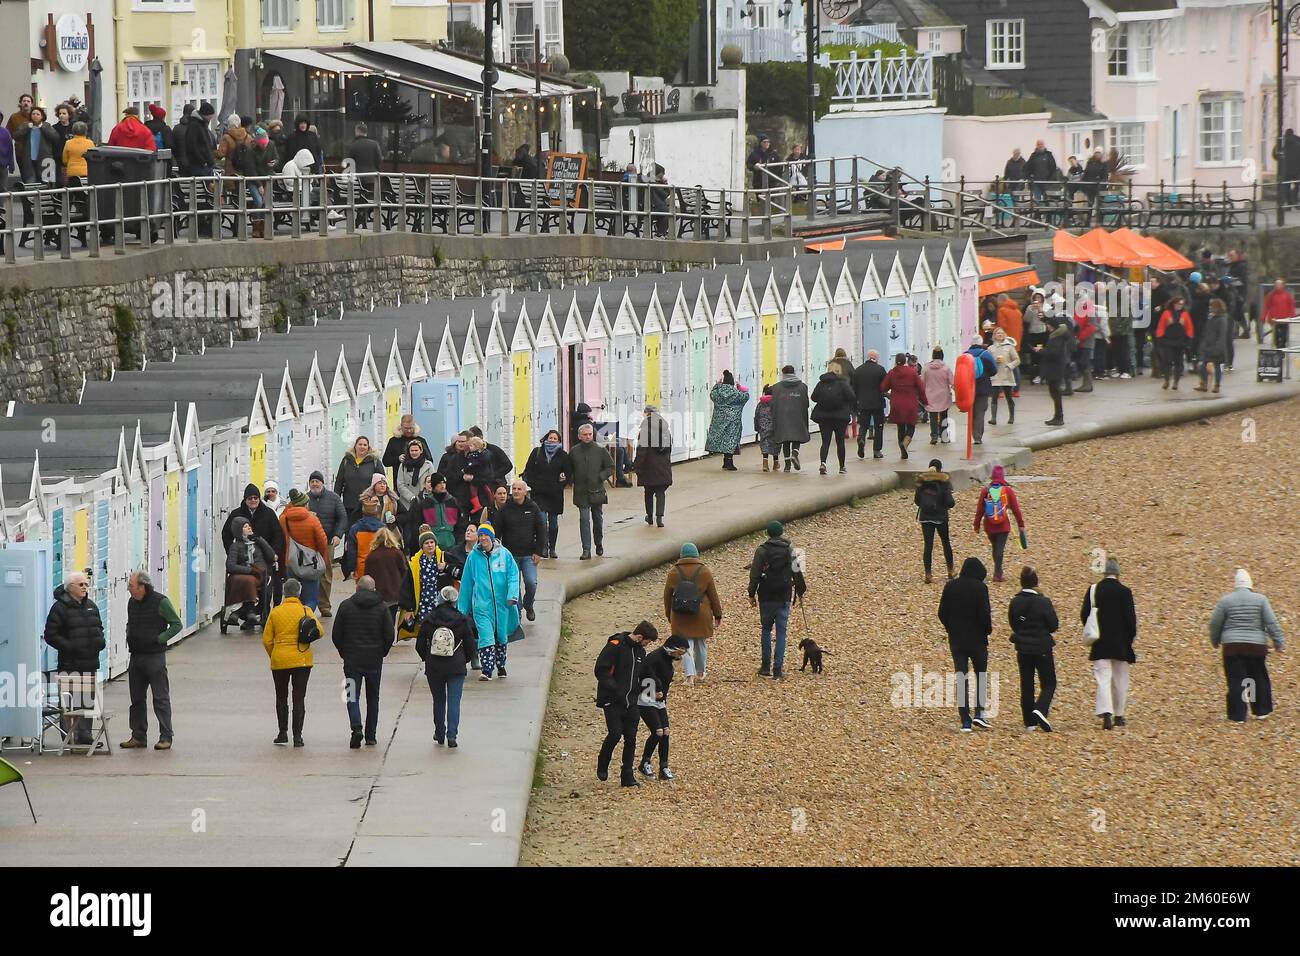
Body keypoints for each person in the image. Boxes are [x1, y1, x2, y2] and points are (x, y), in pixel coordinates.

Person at [117, 572, 183, 751]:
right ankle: (138, 735)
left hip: (154, 657)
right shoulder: (132, 602)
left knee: (160, 698)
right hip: (136, 656)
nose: (128, 588)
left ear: (141, 586)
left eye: (131, 585)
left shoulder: (161, 602)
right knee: (136, 699)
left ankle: (166, 736)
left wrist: (160, 639)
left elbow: (176, 624)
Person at [1211, 569, 1284, 722]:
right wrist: (1278, 642)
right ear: (1250, 584)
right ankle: (1261, 710)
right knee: (1258, 677)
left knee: (1236, 680)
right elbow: (1271, 622)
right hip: (1256, 646)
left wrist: (1215, 640)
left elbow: (1215, 623)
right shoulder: (1261, 600)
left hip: (1232, 646)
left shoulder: (1226, 601)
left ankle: (1238, 716)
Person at [43, 572, 106, 746]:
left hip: (90, 662)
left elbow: (99, 627)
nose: (85, 587)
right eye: (81, 584)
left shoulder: (92, 606)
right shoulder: (59, 608)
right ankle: (69, 736)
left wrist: (100, 642)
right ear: (70, 587)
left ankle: (85, 736)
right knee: (70, 701)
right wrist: (70, 646)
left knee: (87, 700)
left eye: (86, 584)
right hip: (70, 663)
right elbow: (50, 634)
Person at [332, 575, 394, 748]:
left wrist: (343, 652)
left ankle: (356, 727)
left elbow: (336, 635)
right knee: (373, 697)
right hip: (374, 660)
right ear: (374, 589)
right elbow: (389, 635)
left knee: (351, 695)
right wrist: (382, 652)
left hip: (352, 661)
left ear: (357, 588)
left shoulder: (345, 606)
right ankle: (371, 735)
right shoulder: (382, 608)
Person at [594, 620, 659, 787]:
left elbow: (644, 671)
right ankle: (603, 762)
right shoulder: (616, 646)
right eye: (647, 641)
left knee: (631, 739)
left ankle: (627, 776)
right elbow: (601, 669)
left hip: (631, 701)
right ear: (639, 636)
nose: (647, 645)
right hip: (613, 700)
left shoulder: (640, 652)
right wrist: (614, 689)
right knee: (615, 734)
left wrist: (657, 684)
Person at [1081, 556, 1137, 731]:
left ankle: (1106, 714)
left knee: (1103, 679)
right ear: (1118, 573)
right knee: (1120, 680)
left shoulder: (1093, 590)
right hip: (1121, 643)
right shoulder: (1125, 592)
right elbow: (1131, 620)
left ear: (1105, 573)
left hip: (1100, 641)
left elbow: (1085, 614)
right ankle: (1119, 715)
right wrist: (1130, 638)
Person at [938, 557, 993, 732]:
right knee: (981, 676)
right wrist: (987, 630)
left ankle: (965, 721)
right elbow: (985, 615)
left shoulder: (950, 586)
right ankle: (979, 713)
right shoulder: (980, 588)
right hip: (977, 640)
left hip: (957, 640)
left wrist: (950, 628)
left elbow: (941, 613)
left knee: (962, 678)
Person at [458, 524, 520, 680]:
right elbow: (466, 583)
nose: (483, 538)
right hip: (481, 605)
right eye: (480, 536)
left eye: (486, 535)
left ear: (492, 537)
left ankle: (501, 665)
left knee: (501, 636)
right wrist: (462, 610)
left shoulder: (505, 555)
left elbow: (513, 576)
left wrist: (513, 595)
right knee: (486, 636)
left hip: (502, 605)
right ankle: (486, 670)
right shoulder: (473, 557)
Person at [748, 520, 806, 680]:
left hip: (766, 596)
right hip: (784, 596)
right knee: (781, 633)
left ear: (768, 534)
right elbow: (797, 572)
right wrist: (801, 591)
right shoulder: (791, 549)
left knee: (766, 630)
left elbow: (754, 575)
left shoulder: (761, 551)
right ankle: (778, 671)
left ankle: (765, 668)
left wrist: (751, 594)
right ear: (781, 533)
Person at [263, 577, 318, 747]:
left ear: (285, 593)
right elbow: (319, 631)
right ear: (299, 593)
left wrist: (275, 654)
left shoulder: (275, 612)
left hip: (280, 659)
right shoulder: (306, 611)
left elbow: (267, 640)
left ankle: (282, 733)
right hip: (302, 659)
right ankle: (298, 736)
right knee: (299, 697)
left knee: (281, 696)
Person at [418, 585, 473, 747]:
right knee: (454, 701)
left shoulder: (429, 619)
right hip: (456, 666)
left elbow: (420, 645)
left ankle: (439, 732)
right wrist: (463, 660)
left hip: (434, 666)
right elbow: (470, 646)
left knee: (439, 700)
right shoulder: (462, 620)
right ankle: (452, 735)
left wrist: (427, 657)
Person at [663, 543, 722, 686]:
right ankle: (701, 673)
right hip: (701, 613)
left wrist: (669, 614)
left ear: (681, 555)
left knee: (685, 645)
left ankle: (690, 677)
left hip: (680, 613)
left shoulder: (673, 572)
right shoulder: (705, 571)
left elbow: (667, 596)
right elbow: (713, 595)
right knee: (701, 643)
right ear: (696, 555)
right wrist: (717, 614)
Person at [221, 483, 284, 616]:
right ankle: (246, 612)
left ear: (259, 499)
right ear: (245, 499)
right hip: (243, 558)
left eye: (256, 498)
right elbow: (226, 533)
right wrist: (232, 552)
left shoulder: (268, 513)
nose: (253, 500)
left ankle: (261, 611)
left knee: (266, 588)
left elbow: (278, 535)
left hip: (264, 557)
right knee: (245, 581)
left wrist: (275, 553)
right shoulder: (237, 514)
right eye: (250, 498)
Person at [1010, 566, 1059, 732]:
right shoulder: (1043, 601)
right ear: (1036, 582)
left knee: (1027, 683)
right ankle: (1041, 708)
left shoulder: (1015, 601)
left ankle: (1029, 722)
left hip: (1023, 647)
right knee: (1049, 682)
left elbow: (1014, 624)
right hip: (1042, 647)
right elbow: (1053, 625)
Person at [637, 634, 688, 779]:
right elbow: (644, 677)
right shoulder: (654, 658)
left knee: (666, 731)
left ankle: (664, 766)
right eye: (680, 652)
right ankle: (645, 762)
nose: (681, 656)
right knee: (657, 731)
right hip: (645, 699)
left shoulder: (669, 659)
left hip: (659, 700)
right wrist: (655, 692)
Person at [495, 479, 545, 623]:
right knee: (513, 587)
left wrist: (539, 551)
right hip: (510, 556)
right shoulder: (505, 509)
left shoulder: (533, 507)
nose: (516, 491)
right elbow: (497, 531)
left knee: (531, 582)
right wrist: (497, 552)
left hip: (529, 554)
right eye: (514, 489)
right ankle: (517, 614)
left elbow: (541, 530)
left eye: (519, 489)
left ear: (525, 492)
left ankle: (529, 604)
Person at [522, 430, 571, 559]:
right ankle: (542, 547)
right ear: (546, 438)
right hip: (539, 494)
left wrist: (560, 484)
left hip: (555, 494)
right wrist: (532, 484)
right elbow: (528, 470)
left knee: (553, 523)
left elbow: (568, 474)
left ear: (559, 441)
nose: (552, 440)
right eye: (550, 437)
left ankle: (552, 548)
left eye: (555, 438)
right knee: (542, 521)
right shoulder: (537, 452)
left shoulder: (563, 455)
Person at [973, 464, 1025, 583]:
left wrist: (976, 525)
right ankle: (998, 574)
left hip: (989, 525)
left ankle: (998, 571)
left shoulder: (986, 490)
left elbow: (980, 509)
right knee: (1000, 549)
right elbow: (1016, 510)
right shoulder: (1007, 491)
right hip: (1003, 525)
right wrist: (1021, 524)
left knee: (995, 547)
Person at [279, 489, 329, 610]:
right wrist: (323, 558)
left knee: (292, 598)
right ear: (306, 504)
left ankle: (293, 621)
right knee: (311, 599)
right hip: (310, 563)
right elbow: (323, 542)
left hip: (291, 561)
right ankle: (305, 622)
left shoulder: (284, 519)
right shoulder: (313, 520)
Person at [306, 471, 347, 617]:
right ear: (309, 483)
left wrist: (338, 535)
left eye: (318, 481)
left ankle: (324, 606)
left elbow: (342, 518)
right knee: (308, 573)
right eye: (312, 482)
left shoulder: (334, 498)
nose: (315, 484)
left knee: (325, 574)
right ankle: (308, 605)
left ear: (322, 483)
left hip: (327, 542)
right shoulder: (305, 499)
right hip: (308, 544)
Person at [570, 423, 614, 560]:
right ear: (579, 436)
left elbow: (610, 466)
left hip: (597, 490)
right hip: (581, 491)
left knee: (598, 519)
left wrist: (600, 477)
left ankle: (598, 543)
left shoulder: (600, 450)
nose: (588, 437)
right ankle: (586, 549)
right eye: (585, 435)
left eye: (590, 434)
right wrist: (569, 478)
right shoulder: (574, 451)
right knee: (584, 519)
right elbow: (568, 468)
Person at [224, 515, 275, 629]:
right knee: (246, 580)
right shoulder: (235, 546)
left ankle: (237, 613)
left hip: (258, 574)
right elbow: (230, 565)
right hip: (243, 574)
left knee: (249, 580)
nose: (249, 528)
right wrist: (249, 570)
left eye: (249, 526)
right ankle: (250, 610)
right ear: (238, 530)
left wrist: (259, 539)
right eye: (245, 527)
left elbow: (271, 556)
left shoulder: (257, 544)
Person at [403, 471, 465, 555]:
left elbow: (460, 525)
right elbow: (418, 526)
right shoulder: (425, 504)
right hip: (431, 548)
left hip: (452, 546)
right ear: (434, 485)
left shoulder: (453, 502)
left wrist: (459, 543)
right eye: (439, 483)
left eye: (444, 482)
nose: (442, 485)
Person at [915, 459, 956, 584]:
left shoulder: (922, 482)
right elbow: (950, 502)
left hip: (926, 517)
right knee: (946, 543)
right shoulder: (944, 482)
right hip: (941, 517)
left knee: (928, 545)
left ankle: (928, 574)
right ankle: (950, 570)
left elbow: (917, 501)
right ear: (939, 469)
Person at [810, 366, 856, 475]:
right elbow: (852, 396)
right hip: (840, 417)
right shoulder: (842, 383)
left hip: (824, 417)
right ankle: (842, 466)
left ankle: (823, 463)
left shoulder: (821, 383)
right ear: (839, 372)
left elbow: (813, 397)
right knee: (840, 442)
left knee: (825, 442)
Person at [362, 527, 409, 630]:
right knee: (391, 617)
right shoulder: (397, 553)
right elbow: (404, 571)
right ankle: (389, 635)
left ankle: (380, 634)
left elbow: (366, 575)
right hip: (394, 592)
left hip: (377, 594)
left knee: (379, 617)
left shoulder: (371, 556)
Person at [334, 437, 386, 529]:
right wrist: (336, 501)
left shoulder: (375, 462)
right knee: (350, 531)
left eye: (365, 445)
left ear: (368, 447)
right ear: (355, 446)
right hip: (349, 505)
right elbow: (339, 482)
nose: (362, 447)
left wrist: (380, 500)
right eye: (360, 444)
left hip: (368, 506)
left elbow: (382, 482)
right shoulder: (346, 461)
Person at [704, 370, 750, 471]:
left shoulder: (718, 393)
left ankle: (726, 461)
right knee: (731, 440)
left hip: (719, 421)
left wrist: (717, 385)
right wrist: (741, 388)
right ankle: (728, 462)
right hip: (733, 421)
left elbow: (712, 394)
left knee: (722, 440)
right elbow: (746, 396)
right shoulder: (737, 394)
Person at [635, 405, 674, 525]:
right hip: (663, 467)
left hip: (649, 467)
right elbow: (669, 449)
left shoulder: (645, 430)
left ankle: (650, 516)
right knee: (660, 492)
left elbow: (642, 451)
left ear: (648, 414)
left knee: (648, 491)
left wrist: (638, 467)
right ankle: (659, 518)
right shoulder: (666, 429)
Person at [881, 352, 922, 460]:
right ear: (905, 361)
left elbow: (883, 387)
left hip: (896, 404)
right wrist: (925, 401)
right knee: (911, 426)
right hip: (910, 403)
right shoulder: (912, 372)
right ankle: (906, 442)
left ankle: (902, 449)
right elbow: (920, 387)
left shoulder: (892, 373)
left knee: (900, 427)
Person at [770, 365, 810, 471]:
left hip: (782, 415)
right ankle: (795, 453)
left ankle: (787, 466)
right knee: (797, 436)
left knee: (785, 440)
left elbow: (773, 404)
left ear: (783, 374)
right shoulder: (803, 387)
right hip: (798, 415)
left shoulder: (776, 387)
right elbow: (806, 403)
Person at [853, 349, 888, 459]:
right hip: (877, 403)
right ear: (876, 358)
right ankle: (877, 450)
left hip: (863, 403)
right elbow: (885, 386)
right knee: (879, 426)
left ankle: (861, 438)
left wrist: (857, 401)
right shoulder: (880, 370)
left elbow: (854, 388)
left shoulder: (858, 370)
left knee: (863, 425)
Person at [1036, 317, 1071, 425]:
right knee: (1055, 392)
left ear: (1052, 326)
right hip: (1057, 367)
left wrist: (1041, 350)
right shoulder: (1057, 335)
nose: (1047, 327)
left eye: (1048, 325)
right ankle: (1058, 416)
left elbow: (1053, 353)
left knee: (1055, 392)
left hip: (1055, 368)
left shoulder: (1056, 337)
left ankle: (1059, 417)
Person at [1155, 295, 1194, 391]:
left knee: (1179, 362)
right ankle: (1167, 380)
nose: (1180, 306)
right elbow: (1161, 326)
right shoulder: (1166, 313)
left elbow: (1189, 327)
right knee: (1167, 361)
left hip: (1180, 342)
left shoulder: (1185, 314)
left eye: (1181, 304)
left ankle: (1176, 382)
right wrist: (1160, 338)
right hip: (1168, 341)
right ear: (1173, 304)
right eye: (1178, 304)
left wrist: (1189, 339)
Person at [964, 336, 998, 443]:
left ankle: (972, 433)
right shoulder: (985, 354)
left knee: (972, 412)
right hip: (983, 387)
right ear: (981, 342)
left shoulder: (965, 355)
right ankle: (977, 436)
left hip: (969, 387)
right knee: (980, 411)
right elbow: (994, 370)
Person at [343, 497, 385, 581]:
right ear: (376, 511)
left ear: (363, 511)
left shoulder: (355, 528)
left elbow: (352, 552)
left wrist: (352, 569)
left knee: (362, 591)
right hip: (379, 566)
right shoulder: (383, 528)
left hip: (361, 567)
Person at [382, 415, 432, 485]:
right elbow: (385, 461)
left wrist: (418, 458)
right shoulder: (394, 441)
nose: (408, 431)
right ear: (401, 426)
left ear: (414, 426)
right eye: (406, 428)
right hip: (400, 483)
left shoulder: (421, 440)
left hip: (420, 482)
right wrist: (398, 459)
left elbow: (429, 460)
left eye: (411, 428)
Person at [1195, 297, 1230, 394]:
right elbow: (1206, 333)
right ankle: (1204, 384)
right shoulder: (1210, 318)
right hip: (1208, 346)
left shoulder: (1222, 319)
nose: (1210, 308)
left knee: (1217, 366)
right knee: (1203, 366)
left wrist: (1217, 348)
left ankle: (1217, 385)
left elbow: (1221, 336)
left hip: (1217, 347)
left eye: (1212, 306)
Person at [986, 328, 1019, 426]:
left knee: (1009, 396)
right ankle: (993, 418)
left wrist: (1010, 366)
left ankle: (1011, 417)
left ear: (1004, 335)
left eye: (1001, 333)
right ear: (994, 336)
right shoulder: (991, 348)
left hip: (1006, 375)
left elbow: (1017, 360)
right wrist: (992, 363)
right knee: (994, 397)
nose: (999, 335)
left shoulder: (1009, 347)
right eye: (997, 333)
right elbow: (987, 361)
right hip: (995, 375)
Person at [920, 348, 954, 444]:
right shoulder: (946, 368)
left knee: (933, 416)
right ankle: (944, 436)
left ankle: (934, 435)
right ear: (942, 355)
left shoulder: (926, 368)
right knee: (944, 416)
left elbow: (922, 382)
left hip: (930, 394)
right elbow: (952, 382)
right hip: (943, 395)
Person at [395, 437, 435, 512]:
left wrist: (423, 497)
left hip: (424, 501)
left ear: (421, 451)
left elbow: (432, 483)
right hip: (407, 503)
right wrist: (412, 497)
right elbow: (400, 485)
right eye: (411, 450)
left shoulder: (428, 465)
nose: (414, 453)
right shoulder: (403, 465)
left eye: (416, 450)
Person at [184, 102, 217, 177]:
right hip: (199, 166)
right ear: (206, 114)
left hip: (203, 165)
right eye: (210, 116)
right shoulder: (195, 125)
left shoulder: (201, 124)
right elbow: (192, 145)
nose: (211, 118)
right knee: (204, 186)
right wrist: (203, 161)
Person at [1261, 278, 1295, 349]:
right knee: (1276, 336)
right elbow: (1266, 306)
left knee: (1284, 335)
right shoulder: (1271, 295)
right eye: (1276, 284)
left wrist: (1292, 316)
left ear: (1283, 285)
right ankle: (1278, 348)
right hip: (1274, 319)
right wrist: (1264, 316)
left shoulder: (1287, 295)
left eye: (1279, 284)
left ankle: (1282, 347)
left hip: (1285, 319)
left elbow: (1291, 306)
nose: (1278, 286)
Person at [754, 384, 778, 472]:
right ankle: (776, 463)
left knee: (765, 443)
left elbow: (756, 416)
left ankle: (765, 463)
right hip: (775, 427)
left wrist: (756, 427)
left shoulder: (760, 403)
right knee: (776, 444)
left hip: (763, 427)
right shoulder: (776, 403)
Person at [61, 121, 93, 188]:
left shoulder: (68, 143)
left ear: (73, 131)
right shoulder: (90, 143)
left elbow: (64, 160)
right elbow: (92, 158)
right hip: (87, 172)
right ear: (86, 131)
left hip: (72, 174)